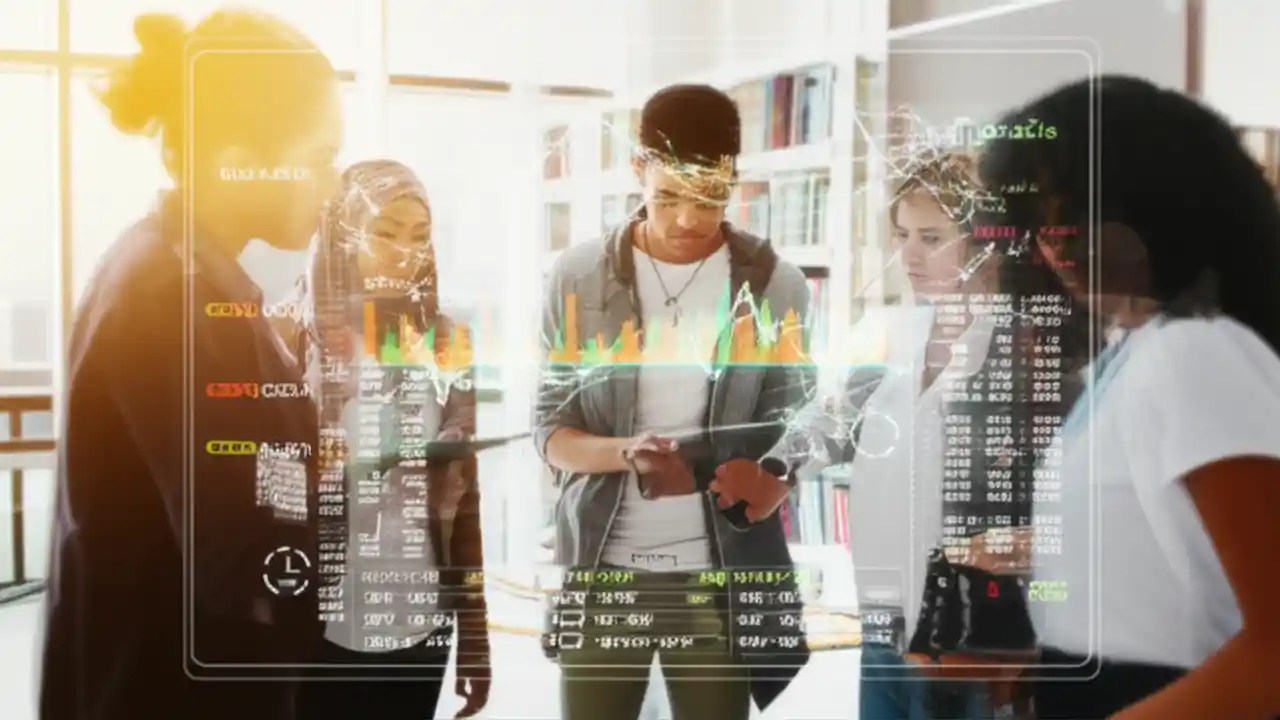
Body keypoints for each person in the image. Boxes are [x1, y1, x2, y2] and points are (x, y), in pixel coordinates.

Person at [40, 10, 341, 719]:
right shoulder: (171, 296)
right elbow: (241, 559)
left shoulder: (183, 275)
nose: (331, 186)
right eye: (321, 157)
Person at [962, 75, 1280, 719]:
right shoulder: (1133, 350)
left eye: (1078, 212)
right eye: (1042, 219)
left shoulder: (1196, 351)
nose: (1056, 243)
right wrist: (1038, 662)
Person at [533, 83, 813, 720]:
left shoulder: (777, 285)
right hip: (604, 573)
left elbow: (797, 425)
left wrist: (779, 475)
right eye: (668, 196)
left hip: (719, 576)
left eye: (711, 196)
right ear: (638, 169)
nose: (689, 219)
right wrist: (625, 452)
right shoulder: (577, 276)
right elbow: (548, 427)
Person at [725, 150, 1019, 719]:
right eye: (902, 233)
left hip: (971, 640)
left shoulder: (1020, 349)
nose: (907, 253)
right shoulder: (890, 332)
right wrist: (775, 473)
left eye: (932, 237)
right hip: (884, 622)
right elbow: (827, 417)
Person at [291, 159, 490, 719]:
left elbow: (465, 502)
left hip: (420, 621)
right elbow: (255, 493)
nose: (405, 253)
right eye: (385, 233)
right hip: (318, 626)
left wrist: (474, 633)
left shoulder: (446, 340)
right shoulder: (290, 336)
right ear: (344, 236)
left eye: (419, 238)